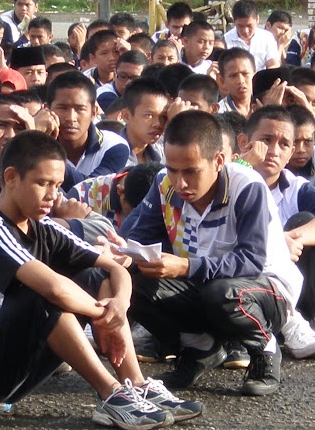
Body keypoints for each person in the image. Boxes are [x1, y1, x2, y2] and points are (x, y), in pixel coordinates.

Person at [0, 131, 197, 430]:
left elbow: (116, 267)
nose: (53, 195)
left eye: (57, 185)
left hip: (21, 366)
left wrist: (118, 305)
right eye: (42, 183)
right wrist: (103, 314)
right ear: (11, 177)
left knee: (95, 276)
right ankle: (111, 394)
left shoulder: (45, 227)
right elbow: (53, 288)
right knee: (43, 294)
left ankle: (137, 384)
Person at [120, 111, 294, 396]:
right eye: (172, 169)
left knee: (222, 293)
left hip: (265, 290)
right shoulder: (164, 183)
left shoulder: (247, 186)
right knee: (130, 282)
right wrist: (123, 254)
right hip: (203, 285)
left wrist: (185, 267)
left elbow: (251, 260)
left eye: (191, 171)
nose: (180, 183)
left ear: (219, 161)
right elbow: (140, 237)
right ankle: (200, 348)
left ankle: (265, 350)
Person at [239, 105, 315, 358]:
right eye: (266, 140)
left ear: (291, 152)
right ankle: (289, 322)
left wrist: (292, 238)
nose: (274, 151)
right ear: (244, 142)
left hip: (297, 287)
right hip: (248, 291)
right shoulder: (227, 181)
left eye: (284, 144)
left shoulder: (295, 187)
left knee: (306, 221)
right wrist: (276, 245)